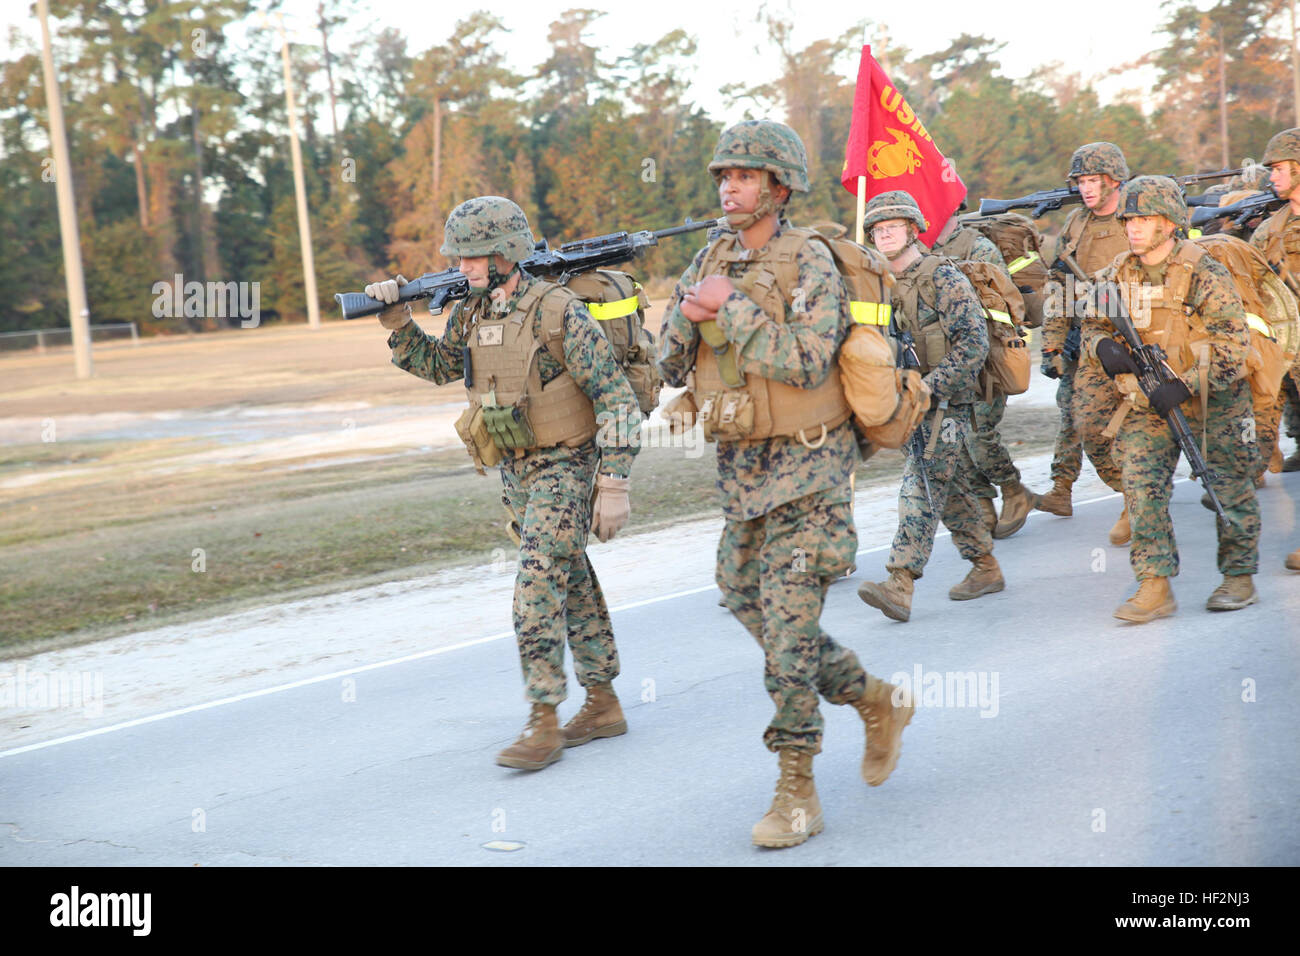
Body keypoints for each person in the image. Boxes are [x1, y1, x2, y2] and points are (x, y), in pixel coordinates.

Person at [657, 121, 913, 849]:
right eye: (722, 177)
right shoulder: (710, 258)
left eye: (742, 176)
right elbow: (672, 365)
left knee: (790, 636)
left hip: (811, 472)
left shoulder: (810, 263)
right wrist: (685, 315)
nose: (728, 187)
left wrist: (728, 310)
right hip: (743, 475)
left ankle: (797, 790)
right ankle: (874, 699)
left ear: (778, 187)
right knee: (743, 597)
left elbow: (805, 360)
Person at [367, 196, 641, 769]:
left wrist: (613, 484)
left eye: (472, 257)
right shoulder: (471, 313)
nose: (462, 267)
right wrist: (398, 323)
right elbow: (441, 366)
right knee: (568, 574)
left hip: (566, 464)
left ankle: (543, 719)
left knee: (536, 584)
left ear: (507, 253)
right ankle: (604, 700)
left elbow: (616, 398)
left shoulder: (558, 310)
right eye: (460, 257)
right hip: (515, 468)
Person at [1081, 176, 1261, 621]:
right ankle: (1154, 583)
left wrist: (1183, 385)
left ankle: (1238, 574)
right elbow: (1091, 323)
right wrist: (1104, 348)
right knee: (1141, 486)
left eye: (1144, 219)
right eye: (1130, 219)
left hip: (1213, 399)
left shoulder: (1204, 269)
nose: (1134, 228)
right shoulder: (1117, 273)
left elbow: (1233, 341)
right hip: (1149, 401)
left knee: (1228, 483)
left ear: (1170, 223)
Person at [856, 191, 1000, 623]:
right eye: (877, 230)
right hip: (902, 405)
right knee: (949, 486)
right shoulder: (876, 285)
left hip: (946, 403)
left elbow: (973, 345)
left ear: (913, 231)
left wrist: (930, 389)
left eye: (892, 228)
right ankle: (985, 565)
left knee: (919, 483)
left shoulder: (944, 277)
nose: (884, 236)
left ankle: (900, 582)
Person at [1036, 143, 1132, 545]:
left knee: (1143, 422)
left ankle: (1146, 495)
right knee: (1086, 421)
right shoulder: (1075, 224)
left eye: (1094, 180)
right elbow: (1060, 285)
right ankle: (1132, 493)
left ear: (1113, 180)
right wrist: (1053, 345)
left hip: (1136, 336)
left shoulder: (1137, 218)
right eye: (1081, 181)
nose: (1087, 188)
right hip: (1088, 339)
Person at [930, 206, 1035, 538]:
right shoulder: (923, 251)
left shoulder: (978, 247)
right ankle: (983, 504)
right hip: (947, 359)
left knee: (978, 436)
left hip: (987, 357)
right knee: (956, 441)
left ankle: (1014, 489)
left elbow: (1003, 302)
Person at [1251, 128, 1300, 498]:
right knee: (1258, 419)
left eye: (1279, 167)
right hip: (1280, 350)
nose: (1272, 175)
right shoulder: (1270, 230)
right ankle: (1240, 484)